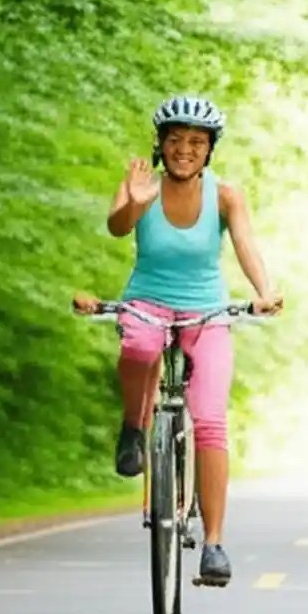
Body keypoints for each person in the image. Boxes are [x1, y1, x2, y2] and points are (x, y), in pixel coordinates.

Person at [74, 95, 283, 588]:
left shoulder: (226, 195)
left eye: (196, 142)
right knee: (140, 349)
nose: (184, 149)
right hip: (146, 300)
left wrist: (264, 291)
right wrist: (135, 200)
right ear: (161, 145)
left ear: (209, 150)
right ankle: (134, 426)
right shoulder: (141, 184)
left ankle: (213, 544)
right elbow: (117, 226)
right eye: (175, 140)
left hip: (206, 310)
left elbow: (246, 246)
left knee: (209, 418)